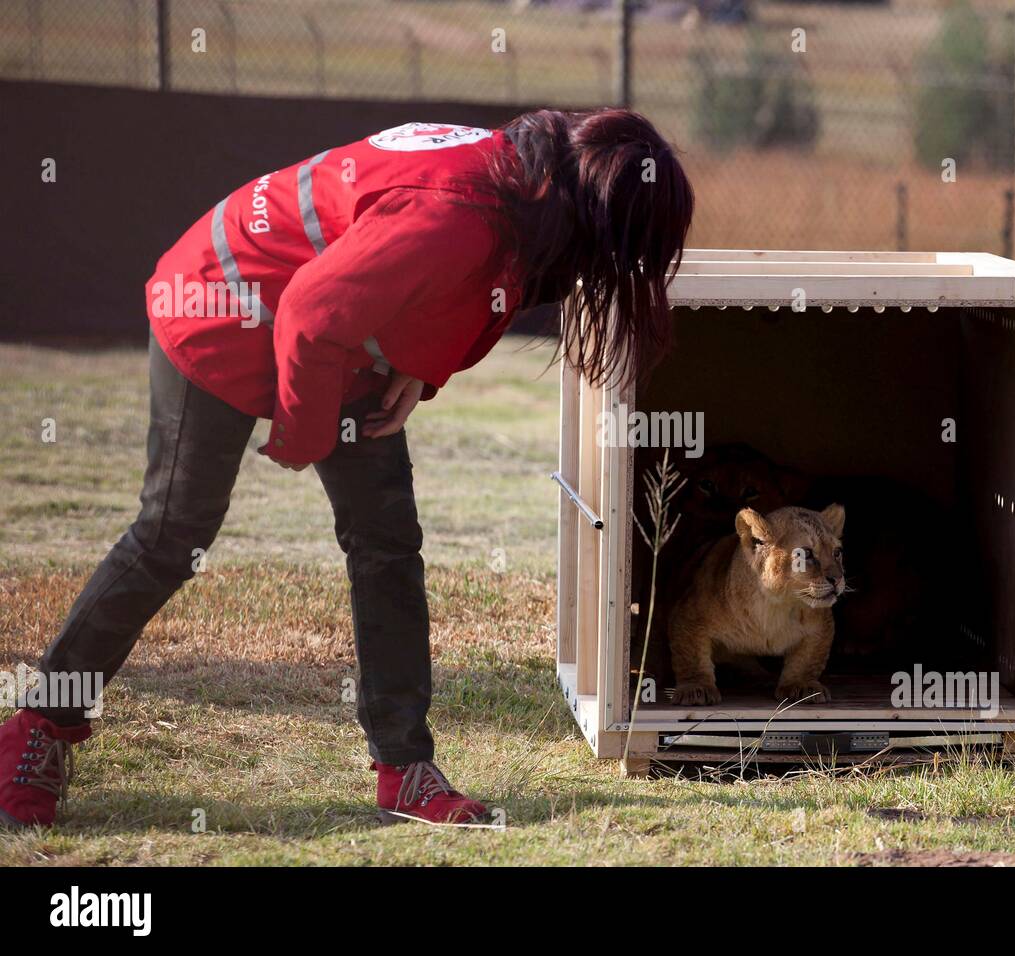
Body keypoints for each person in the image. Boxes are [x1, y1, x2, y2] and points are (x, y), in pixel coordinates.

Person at [0, 110, 694, 828]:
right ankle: (36, 732)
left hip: (334, 346)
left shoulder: (521, 180)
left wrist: (419, 373)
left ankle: (406, 771)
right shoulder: (465, 214)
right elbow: (310, 310)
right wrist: (301, 438)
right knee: (173, 532)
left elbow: (426, 289)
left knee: (386, 542)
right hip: (217, 305)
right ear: (597, 220)